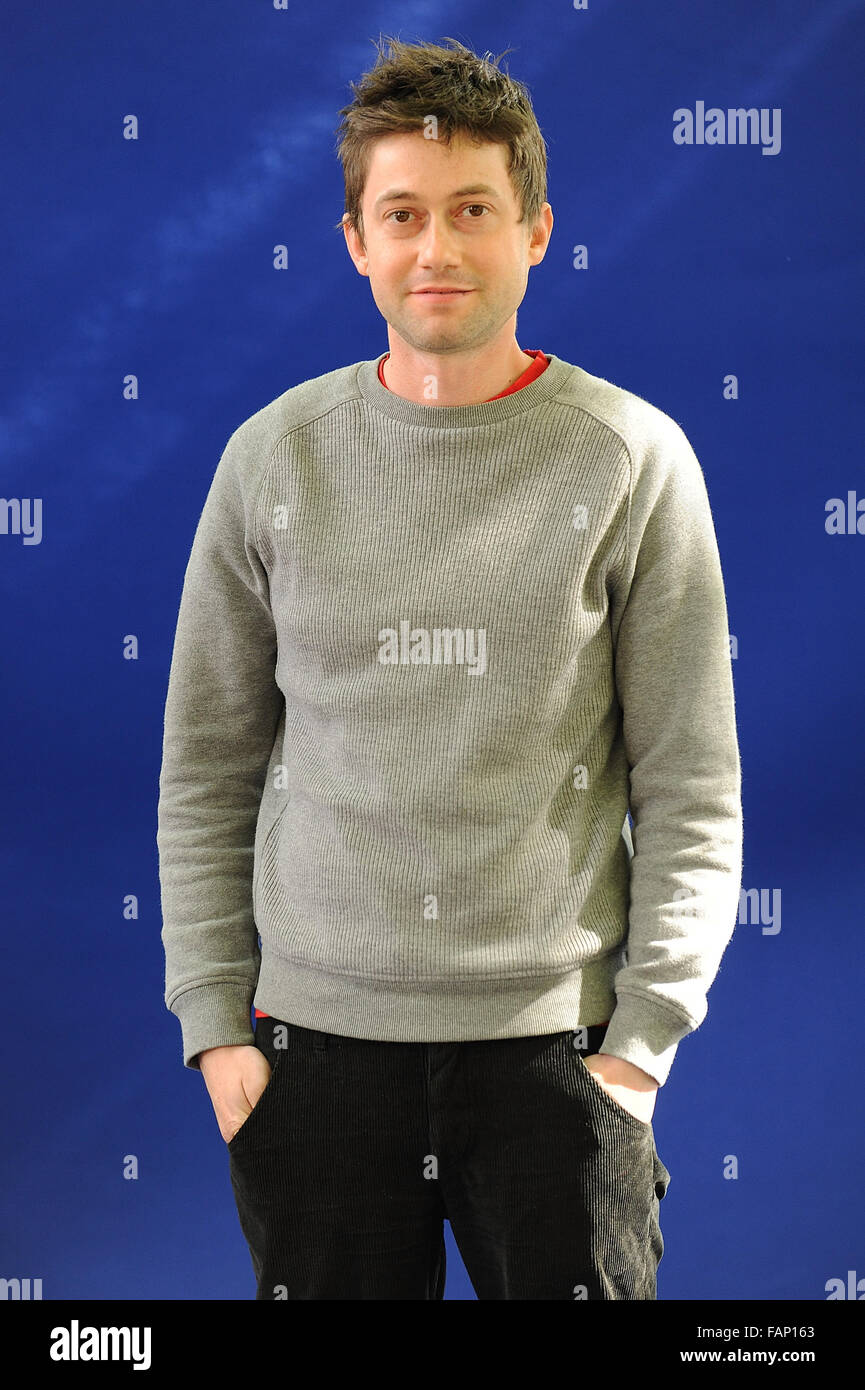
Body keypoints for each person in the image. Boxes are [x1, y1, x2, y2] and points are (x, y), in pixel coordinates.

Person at [156, 35, 743, 1301]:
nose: (438, 249)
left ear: (535, 230)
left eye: (473, 210)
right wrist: (215, 1029)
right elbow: (204, 769)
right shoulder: (270, 462)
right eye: (402, 215)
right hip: (311, 1065)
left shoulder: (632, 460)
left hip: (555, 1060)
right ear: (355, 240)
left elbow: (695, 787)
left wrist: (637, 1053)